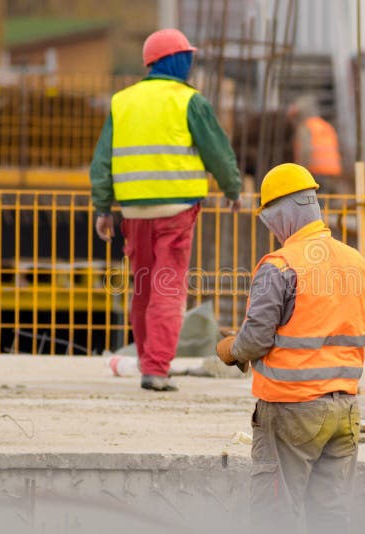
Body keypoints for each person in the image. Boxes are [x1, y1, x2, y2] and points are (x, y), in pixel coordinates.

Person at [215, 163, 365, 533]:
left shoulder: (281, 265)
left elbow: (255, 340)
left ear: (283, 212)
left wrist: (231, 350)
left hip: (291, 411)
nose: (271, 231)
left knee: (274, 517)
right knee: (331, 518)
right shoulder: (358, 264)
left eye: (269, 221)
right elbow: (364, 329)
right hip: (345, 412)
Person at [90, 29, 241, 392]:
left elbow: (102, 160)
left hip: (134, 214)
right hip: (176, 210)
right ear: (178, 60)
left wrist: (103, 207)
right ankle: (156, 369)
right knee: (167, 290)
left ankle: (148, 363)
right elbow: (216, 150)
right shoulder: (188, 100)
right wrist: (232, 187)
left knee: (142, 289)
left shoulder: (122, 101)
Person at [289, 95, 343, 193]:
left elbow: (305, 151)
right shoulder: (325, 125)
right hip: (332, 172)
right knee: (325, 203)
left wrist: (300, 172)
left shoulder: (305, 127)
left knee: (315, 203)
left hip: (315, 171)